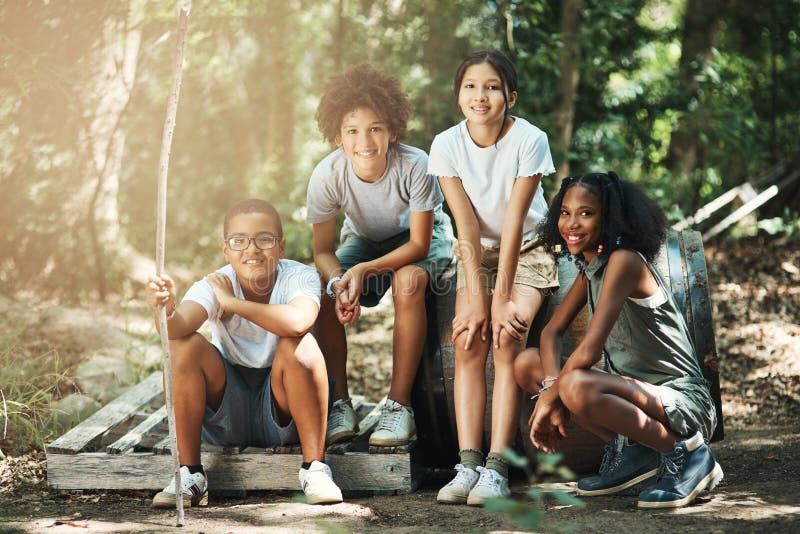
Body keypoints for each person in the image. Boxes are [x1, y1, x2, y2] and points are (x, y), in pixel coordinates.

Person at [516, 172, 723, 509]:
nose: (572, 223)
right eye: (565, 212)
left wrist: (550, 396)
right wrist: (551, 385)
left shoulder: (625, 261)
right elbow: (550, 332)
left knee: (577, 386)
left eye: (586, 212)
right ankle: (636, 452)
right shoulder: (591, 269)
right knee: (527, 365)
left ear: (609, 218)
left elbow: (589, 350)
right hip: (636, 397)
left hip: (681, 401)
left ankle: (687, 455)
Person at [144, 199, 342, 507]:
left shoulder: (299, 276)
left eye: (264, 239)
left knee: (298, 343)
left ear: (281, 247)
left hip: (284, 408)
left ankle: (314, 468)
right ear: (226, 249)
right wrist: (165, 307)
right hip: (228, 410)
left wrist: (233, 304)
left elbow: (297, 321)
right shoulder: (215, 284)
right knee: (181, 346)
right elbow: (176, 327)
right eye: (239, 241)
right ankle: (190, 473)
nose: (251, 250)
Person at [428, 50, 559, 505]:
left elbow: (514, 220)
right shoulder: (445, 144)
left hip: (527, 247)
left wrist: (500, 297)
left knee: (506, 336)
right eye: (470, 86)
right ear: (458, 95)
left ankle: (497, 468)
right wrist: (474, 297)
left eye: (491, 86)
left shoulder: (530, 139)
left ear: (510, 96)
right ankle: (467, 464)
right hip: (475, 253)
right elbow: (464, 225)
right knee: (467, 338)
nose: (479, 96)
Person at [307, 64, 455, 448]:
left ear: (392, 130)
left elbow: (418, 246)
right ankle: (339, 403)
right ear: (337, 136)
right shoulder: (327, 175)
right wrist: (341, 280)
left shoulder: (415, 164)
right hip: (366, 240)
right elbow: (322, 251)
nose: (365, 141)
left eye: (375, 128)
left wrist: (363, 270)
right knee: (322, 285)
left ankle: (398, 407)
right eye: (352, 130)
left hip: (421, 240)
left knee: (407, 282)